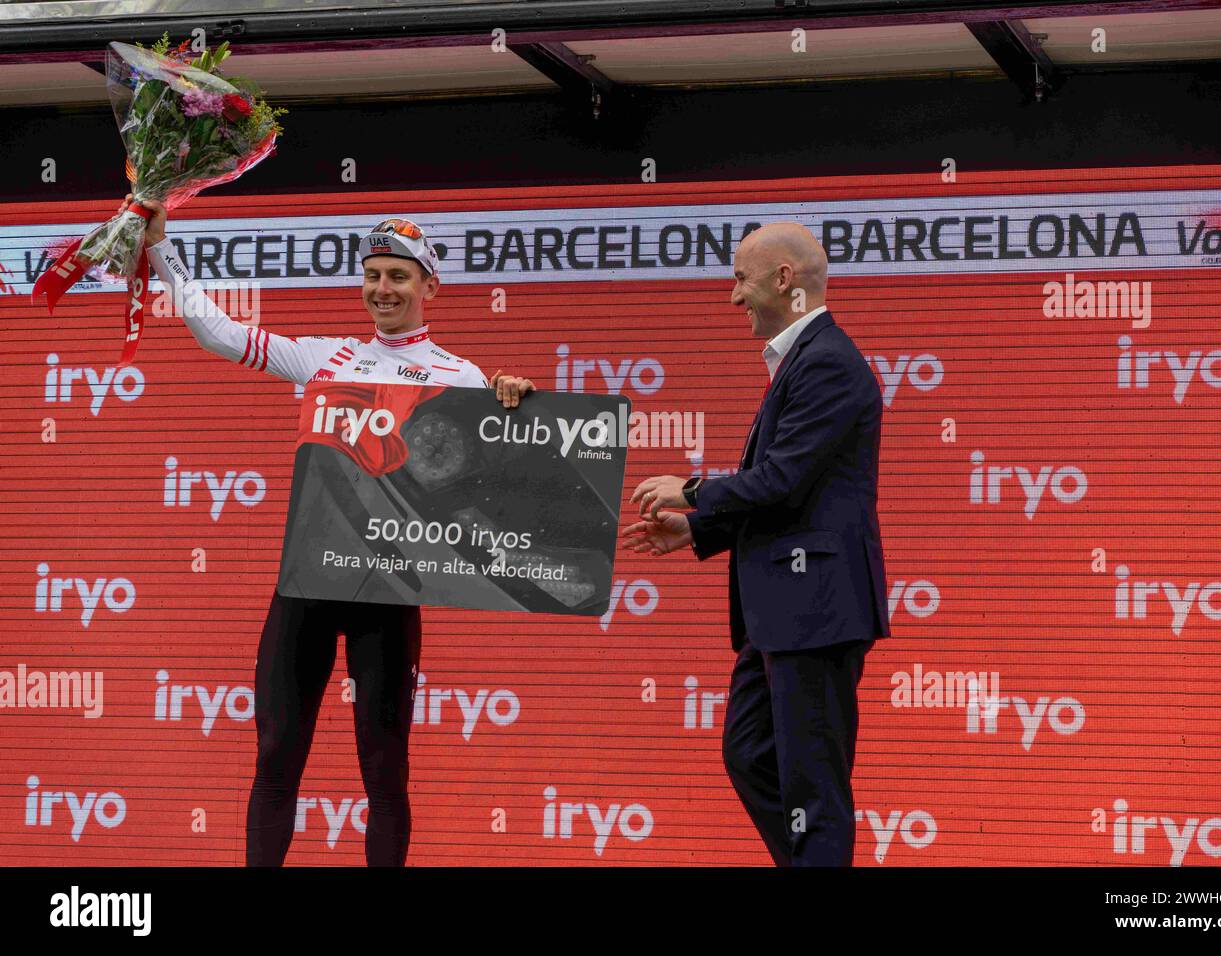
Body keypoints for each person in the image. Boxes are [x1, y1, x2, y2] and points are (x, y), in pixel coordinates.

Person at [121, 194, 534, 866]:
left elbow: (506, 480)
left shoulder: (461, 378)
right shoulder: (325, 358)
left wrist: (515, 402)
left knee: (383, 768)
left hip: (388, 589)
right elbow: (217, 334)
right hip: (308, 586)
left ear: (431, 286)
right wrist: (162, 249)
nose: (382, 289)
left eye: (398, 276)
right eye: (372, 275)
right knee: (277, 758)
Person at [623, 221, 889, 867]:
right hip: (780, 615)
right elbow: (789, 493)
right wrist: (697, 529)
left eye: (740, 278)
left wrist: (691, 491)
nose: (732, 295)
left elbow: (781, 478)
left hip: (816, 612)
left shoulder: (827, 361)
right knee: (749, 754)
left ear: (783, 280)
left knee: (815, 791)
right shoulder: (802, 361)